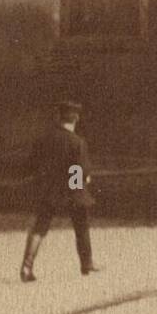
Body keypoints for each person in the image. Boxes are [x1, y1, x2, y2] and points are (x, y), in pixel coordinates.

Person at [19, 100, 100, 282]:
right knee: (81, 226)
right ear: (76, 119)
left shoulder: (44, 139)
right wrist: (81, 184)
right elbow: (80, 170)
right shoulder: (77, 142)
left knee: (39, 228)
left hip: (48, 190)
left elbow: (31, 165)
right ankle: (86, 264)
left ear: (59, 118)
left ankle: (26, 267)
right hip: (72, 190)